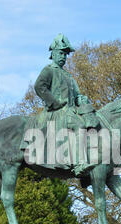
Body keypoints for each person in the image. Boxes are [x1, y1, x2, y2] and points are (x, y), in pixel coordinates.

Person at [33, 34, 99, 176]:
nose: (63, 57)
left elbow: (76, 96)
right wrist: (55, 103)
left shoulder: (69, 76)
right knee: (79, 125)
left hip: (70, 111)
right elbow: (39, 87)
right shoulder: (49, 70)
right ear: (54, 54)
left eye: (65, 55)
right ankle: (79, 164)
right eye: (61, 53)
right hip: (57, 112)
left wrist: (81, 99)